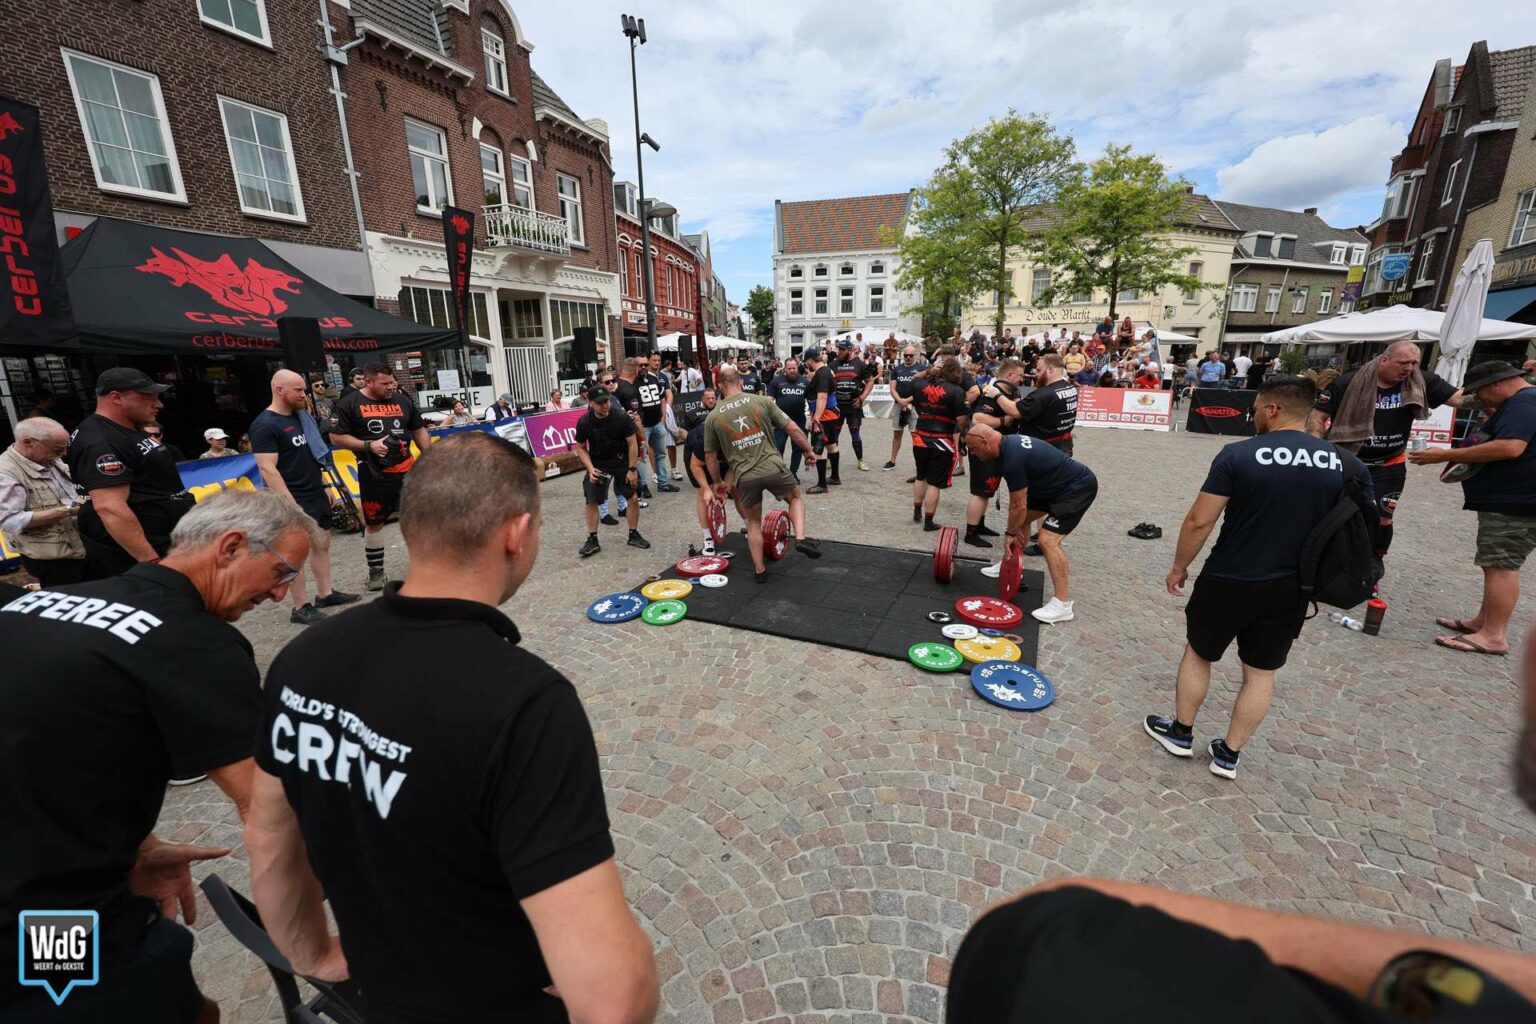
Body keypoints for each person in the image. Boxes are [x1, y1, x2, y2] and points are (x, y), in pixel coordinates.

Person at [245, 434, 660, 1024]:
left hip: (383, 998)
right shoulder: (524, 701)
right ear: (517, 534)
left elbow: (268, 830)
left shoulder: (304, 656)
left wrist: (309, 951)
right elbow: (614, 1000)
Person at [0, 489, 317, 1024]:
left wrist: (139, 846)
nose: (283, 594)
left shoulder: (31, 607)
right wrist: (318, 944)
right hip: (47, 915)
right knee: (148, 1008)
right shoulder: (195, 642)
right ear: (232, 546)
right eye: (283, 572)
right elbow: (267, 814)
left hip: (38, 877)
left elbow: (45, 736)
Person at [1147, 376, 1372, 779]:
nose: (1252, 418)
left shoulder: (1239, 455)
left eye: (1255, 411)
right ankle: (1229, 755)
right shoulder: (1346, 464)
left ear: (1273, 409)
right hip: (1293, 585)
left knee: (1199, 653)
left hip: (1229, 575)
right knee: (1261, 673)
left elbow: (1200, 520)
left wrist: (1180, 566)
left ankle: (1181, 733)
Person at [1410, 361, 1536, 656]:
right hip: (1511, 497)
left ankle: (1493, 635)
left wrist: (1446, 455)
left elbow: (1510, 447)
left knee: (1501, 565)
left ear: (1497, 383)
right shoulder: (1521, 402)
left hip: (1517, 500)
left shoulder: (1524, 402)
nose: (1480, 401)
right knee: (1493, 562)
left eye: (1480, 394)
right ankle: (1484, 621)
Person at [1312, 340, 1465, 581]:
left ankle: (1375, 557)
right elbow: (1318, 416)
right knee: (1334, 512)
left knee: (1382, 516)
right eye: (1404, 363)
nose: (1410, 369)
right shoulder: (1348, 381)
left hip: (1389, 464)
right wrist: (1315, 447)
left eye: (1415, 363)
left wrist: (1504, 392)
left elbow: (1460, 399)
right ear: (1384, 360)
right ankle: (1328, 557)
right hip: (1349, 460)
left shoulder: (1421, 381)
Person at [249, 369, 360, 626]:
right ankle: (300, 606)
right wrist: (290, 502)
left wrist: (325, 485)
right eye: (298, 390)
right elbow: (267, 468)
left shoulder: (301, 417)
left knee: (322, 542)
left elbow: (312, 453)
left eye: (303, 389)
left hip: (314, 490)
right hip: (292, 496)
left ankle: (326, 594)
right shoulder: (265, 425)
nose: (304, 394)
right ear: (279, 390)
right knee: (293, 553)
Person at [68, 368, 195, 580]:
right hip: (144, 548)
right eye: (148, 397)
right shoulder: (101, 442)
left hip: (167, 535)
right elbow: (110, 508)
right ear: (116, 397)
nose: (159, 404)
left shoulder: (127, 427)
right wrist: (152, 563)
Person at [967, 424, 1097, 625]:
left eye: (974, 449)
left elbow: (1018, 504)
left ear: (986, 442)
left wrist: (1009, 534)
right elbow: (1020, 510)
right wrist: (1014, 527)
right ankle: (1010, 564)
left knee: (1047, 540)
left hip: (1076, 488)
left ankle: (1062, 605)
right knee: (1022, 520)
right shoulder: (1005, 446)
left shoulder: (1012, 458)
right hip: (1049, 486)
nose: (973, 454)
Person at [703, 365, 821, 582]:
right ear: (741, 382)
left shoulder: (713, 416)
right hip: (773, 467)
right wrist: (809, 450)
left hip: (745, 477)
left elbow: (709, 456)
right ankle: (801, 538)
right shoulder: (762, 401)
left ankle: (760, 570)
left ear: (719, 386)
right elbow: (793, 428)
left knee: (754, 523)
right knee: (795, 497)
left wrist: (718, 482)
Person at [329, 362, 430, 591]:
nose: (390, 387)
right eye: (384, 384)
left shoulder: (402, 400)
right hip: (373, 471)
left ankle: (426, 564)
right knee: (374, 523)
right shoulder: (349, 403)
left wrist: (431, 456)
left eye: (392, 382)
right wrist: (368, 445)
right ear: (368, 382)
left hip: (406, 469)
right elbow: (336, 437)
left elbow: (419, 429)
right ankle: (376, 572)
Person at [0, 417, 86, 587]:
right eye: (57, 449)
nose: (63, 454)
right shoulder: (6, 474)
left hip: (77, 546)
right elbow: (8, 521)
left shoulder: (47, 458)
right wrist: (69, 510)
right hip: (52, 558)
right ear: (28, 442)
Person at [573, 384, 649, 557]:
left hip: (621, 461)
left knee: (633, 498)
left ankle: (633, 534)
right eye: (600, 403)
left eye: (606, 401)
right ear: (591, 403)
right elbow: (581, 448)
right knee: (591, 500)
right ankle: (592, 539)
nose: (605, 405)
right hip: (598, 463)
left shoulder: (621, 417)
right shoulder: (585, 422)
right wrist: (590, 469)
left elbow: (632, 443)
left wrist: (632, 469)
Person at [963, 359, 1026, 548]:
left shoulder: (1007, 391)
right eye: (1020, 375)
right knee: (980, 492)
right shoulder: (991, 393)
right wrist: (1003, 419)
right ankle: (970, 533)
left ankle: (979, 525)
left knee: (987, 491)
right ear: (1009, 375)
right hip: (983, 448)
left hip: (994, 448)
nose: (1022, 379)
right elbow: (978, 419)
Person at [910, 357, 969, 531]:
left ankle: (916, 511)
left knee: (921, 476)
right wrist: (964, 435)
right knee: (934, 483)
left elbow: (913, 380)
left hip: (920, 436)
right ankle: (929, 522)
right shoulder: (957, 391)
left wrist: (928, 370)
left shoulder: (919, 385)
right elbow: (961, 420)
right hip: (942, 439)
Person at [683, 388, 725, 553]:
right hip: (695, 450)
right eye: (708, 398)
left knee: (734, 488)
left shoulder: (730, 424)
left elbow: (735, 467)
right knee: (703, 494)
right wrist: (709, 488)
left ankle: (749, 525)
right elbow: (696, 465)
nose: (711, 400)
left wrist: (724, 484)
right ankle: (708, 538)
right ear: (703, 398)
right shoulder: (695, 417)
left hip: (718, 448)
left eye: (713, 398)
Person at [830, 339, 878, 472]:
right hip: (837, 406)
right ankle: (831, 459)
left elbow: (870, 382)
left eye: (842, 350)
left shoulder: (860, 364)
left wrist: (862, 398)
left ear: (850, 350)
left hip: (853, 406)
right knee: (835, 433)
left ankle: (860, 461)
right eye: (838, 349)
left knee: (855, 433)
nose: (839, 352)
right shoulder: (833, 364)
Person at [802, 348, 840, 494]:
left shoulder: (823, 374)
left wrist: (816, 419)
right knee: (831, 445)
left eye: (807, 362)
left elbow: (822, 397)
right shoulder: (826, 371)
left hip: (824, 416)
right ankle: (835, 476)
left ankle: (822, 484)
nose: (807, 366)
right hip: (830, 415)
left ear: (811, 360)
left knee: (818, 450)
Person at [766, 358, 810, 478]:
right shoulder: (777, 381)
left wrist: (812, 419)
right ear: (785, 369)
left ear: (797, 367)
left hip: (799, 420)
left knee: (798, 448)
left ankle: (793, 473)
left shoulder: (805, 382)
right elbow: (769, 400)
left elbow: (811, 401)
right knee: (778, 447)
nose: (792, 371)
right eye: (789, 368)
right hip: (781, 421)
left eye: (794, 368)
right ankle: (780, 473)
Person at [885, 344, 924, 470]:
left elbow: (922, 390)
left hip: (914, 405)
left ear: (915, 356)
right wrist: (900, 401)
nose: (907, 358)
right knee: (897, 434)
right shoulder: (897, 369)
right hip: (898, 404)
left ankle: (919, 463)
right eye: (905, 355)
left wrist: (907, 401)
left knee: (915, 435)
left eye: (910, 356)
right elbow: (892, 388)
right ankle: (892, 460)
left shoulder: (921, 369)